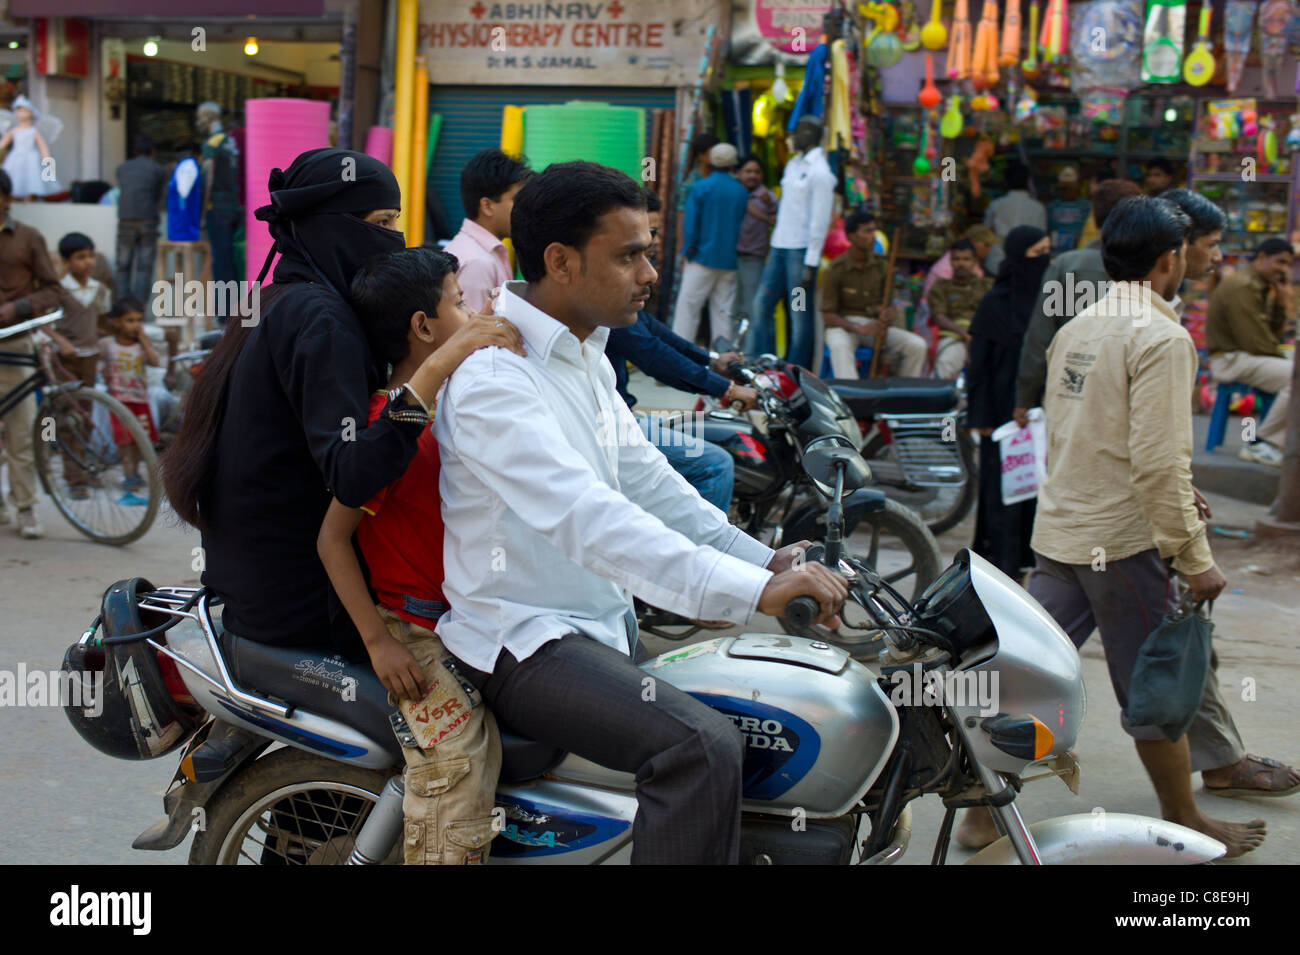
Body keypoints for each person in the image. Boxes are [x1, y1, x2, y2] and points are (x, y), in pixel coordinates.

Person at [434, 160, 848, 864]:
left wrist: (765, 560)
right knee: (699, 745)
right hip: (524, 637)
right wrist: (754, 592)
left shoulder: (587, 355)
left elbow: (651, 486)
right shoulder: (494, 376)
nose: (652, 273)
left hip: (596, 619)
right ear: (560, 262)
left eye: (650, 251)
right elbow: (587, 515)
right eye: (630, 255)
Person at [1022, 196, 1289, 858]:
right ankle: (1185, 813)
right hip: (1120, 539)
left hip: (1060, 527)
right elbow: (1157, 461)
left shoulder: (1079, 326)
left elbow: (1083, 437)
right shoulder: (1162, 336)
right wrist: (1194, 556)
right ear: (1171, 260)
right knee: (1156, 684)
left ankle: (977, 814)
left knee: (1032, 674)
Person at [161, 148, 432, 657]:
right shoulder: (322, 318)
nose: (393, 239)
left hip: (248, 582)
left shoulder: (275, 298)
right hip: (303, 600)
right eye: (382, 222)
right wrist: (428, 382)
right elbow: (353, 475)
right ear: (332, 226)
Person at [318, 248, 524, 864]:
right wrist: (382, 645)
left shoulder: (469, 400)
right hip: (414, 629)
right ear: (423, 327)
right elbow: (331, 538)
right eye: (459, 301)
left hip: (475, 618)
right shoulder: (392, 423)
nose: (475, 309)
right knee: (456, 768)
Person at [605, 188, 752, 511]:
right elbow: (654, 355)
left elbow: (654, 333)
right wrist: (726, 388)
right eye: (648, 234)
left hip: (623, 414)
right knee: (716, 464)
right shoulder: (606, 288)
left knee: (699, 430)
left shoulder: (625, 281)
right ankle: (700, 558)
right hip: (611, 423)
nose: (654, 244)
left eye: (654, 234)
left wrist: (713, 361)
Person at [1013, 178, 1143, 420]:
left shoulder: (1067, 265)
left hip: (1070, 387)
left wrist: (1024, 397)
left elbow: (1040, 337)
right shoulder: (1150, 268)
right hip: (1128, 392)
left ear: (1094, 217)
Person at [965, 226, 1051, 580]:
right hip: (1000, 412)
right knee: (1001, 488)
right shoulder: (993, 304)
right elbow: (979, 366)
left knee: (1038, 484)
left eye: (1049, 251)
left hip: (1040, 412)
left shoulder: (1051, 302)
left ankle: (1032, 557)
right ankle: (1001, 562)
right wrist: (979, 415)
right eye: (1038, 254)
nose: (1046, 261)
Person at [0, 168, 63, 539]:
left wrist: (18, 307)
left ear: (7, 198)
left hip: (15, 344)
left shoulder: (27, 238)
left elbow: (53, 290)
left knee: (21, 432)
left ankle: (25, 508)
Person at [746, 115, 837, 368]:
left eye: (798, 131)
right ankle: (765, 363)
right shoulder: (793, 164)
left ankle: (796, 371)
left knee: (799, 315)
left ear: (811, 134)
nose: (793, 136)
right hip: (779, 249)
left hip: (801, 254)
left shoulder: (821, 174)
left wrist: (811, 261)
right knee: (761, 305)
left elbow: (820, 221)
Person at [1205, 237, 1294, 466]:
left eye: (1287, 265)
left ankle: (1269, 439)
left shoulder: (1260, 285)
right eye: (1280, 263)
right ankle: (1262, 442)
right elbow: (1256, 342)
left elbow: (1269, 339)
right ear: (1262, 258)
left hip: (1247, 355)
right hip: (1231, 360)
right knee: (1297, 376)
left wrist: (1281, 302)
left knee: (1294, 366)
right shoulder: (1242, 286)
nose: (1283, 270)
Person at [821, 208, 927, 378]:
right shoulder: (836, 269)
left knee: (917, 345)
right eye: (867, 231)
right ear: (851, 236)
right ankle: (852, 398)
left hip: (873, 325)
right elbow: (828, 315)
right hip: (843, 326)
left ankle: (904, 395)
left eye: (874, 231)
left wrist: (888, 314)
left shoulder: (882, 266)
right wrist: (857, 328)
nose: (873, 236)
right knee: (840, 346)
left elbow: (887, 304)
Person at [672, 142, 749, 345]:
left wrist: (687, 250)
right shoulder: (740, 191)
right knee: (723, 313)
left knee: (688, 310)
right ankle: (722, 360)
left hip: (700, 258)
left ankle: (680, 356)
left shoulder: (701, 187)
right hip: (729, 261)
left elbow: (691, 225)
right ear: (733, 164)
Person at [444, 148, 532, 313]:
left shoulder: (484, 253)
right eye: (518, 200)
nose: (525, 209)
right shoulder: (478, 263)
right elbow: (474, 334)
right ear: (487, 206)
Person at [98, 298, 160, 503]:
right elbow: (98, 364)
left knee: (139, 440)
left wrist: (144, 341)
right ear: (116, 322)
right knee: (124, 441)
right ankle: (128, 474)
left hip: (140, 400)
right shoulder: (107, 345)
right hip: (119, 402)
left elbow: (155, 361)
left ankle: (135, 472)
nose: (136, 325)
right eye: (130, 320)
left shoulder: (141, 345)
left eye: (139, 320)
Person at [927, 239, 993, 378]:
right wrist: (964, 334)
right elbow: (938, 316)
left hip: (984, 337)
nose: (961, 263)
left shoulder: (987, 286)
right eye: (956, 259)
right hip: (954, 336)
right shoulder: (941, 286)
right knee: (947, 362)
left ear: (974, 261)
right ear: (950, 261)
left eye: (966, 259)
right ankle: (935, 398)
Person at [114, 134, 168, 302]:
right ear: (153, 151)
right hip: (148, 220)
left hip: (126, 220)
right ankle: (138, 309)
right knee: (144, 267)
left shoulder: (122, 168)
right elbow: (160, 198)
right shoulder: (158, 169)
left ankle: (123, 308)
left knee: (122, 265)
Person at [197, 101, 241, 294]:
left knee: (220, 261)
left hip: (218, 208)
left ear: (206, 118)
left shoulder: (211, 145)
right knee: (232, 259)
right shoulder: (230, 142)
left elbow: (208, 181)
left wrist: (202, 214)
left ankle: (225, 315)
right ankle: (236, 310)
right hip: (234, 206)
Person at [734, 153, 776, 328]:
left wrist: (769, 209)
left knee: (752, 307)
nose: (752, 175)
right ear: (739, 173)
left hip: (754, 259)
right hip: (731, 259)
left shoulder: (768, 197)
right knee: (733, 308)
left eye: (757, 172)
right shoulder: (734, 193)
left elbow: (778, 219)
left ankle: (749, 352)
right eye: (748, 171)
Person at [920, 224, 991, 306]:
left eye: (966, 259)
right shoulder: (943, 273)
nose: (961, 263)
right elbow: (937, 308)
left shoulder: (976, 268)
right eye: (987, 245)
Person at [0, 95, 55, 199]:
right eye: (19, 111)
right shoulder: (14, 131)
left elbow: (43, 147)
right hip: (16, 157)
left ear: (31, 113)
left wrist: (46, 158)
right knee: (14, 177)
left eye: (24, 111)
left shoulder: (33, 131)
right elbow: (3, 143)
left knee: (32, 178)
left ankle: (29, 197)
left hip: (31, 157)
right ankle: (14, 197)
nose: (21, 113)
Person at [675, 132, 720, 251]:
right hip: (697, 246)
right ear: (701, 155)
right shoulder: (691, 184)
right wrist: (683, 248)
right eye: (713, 153)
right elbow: (682, 217)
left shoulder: (724, 180)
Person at [983, 161, 1047, 238]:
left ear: (1006, 182)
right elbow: (1042, 236)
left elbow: (986, 231)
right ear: (1027, 182)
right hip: (1027, 249)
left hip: (999, 249)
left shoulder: (995, 205)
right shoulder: (1038, 207)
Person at [1046, 165, 1091, 252]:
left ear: (1078, 186)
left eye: (1070, 187)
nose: (1067, 191)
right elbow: (1047, 233)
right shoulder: (1052, 206)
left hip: (1079, 254)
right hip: (1055, 254)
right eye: (1064, 188)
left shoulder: (1087, 206)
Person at [166, 142, 203, 243]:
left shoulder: (185, 166)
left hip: (182, 228)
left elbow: (182, 191)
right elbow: (183, 192)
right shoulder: (188, 165)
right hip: (184, 226)